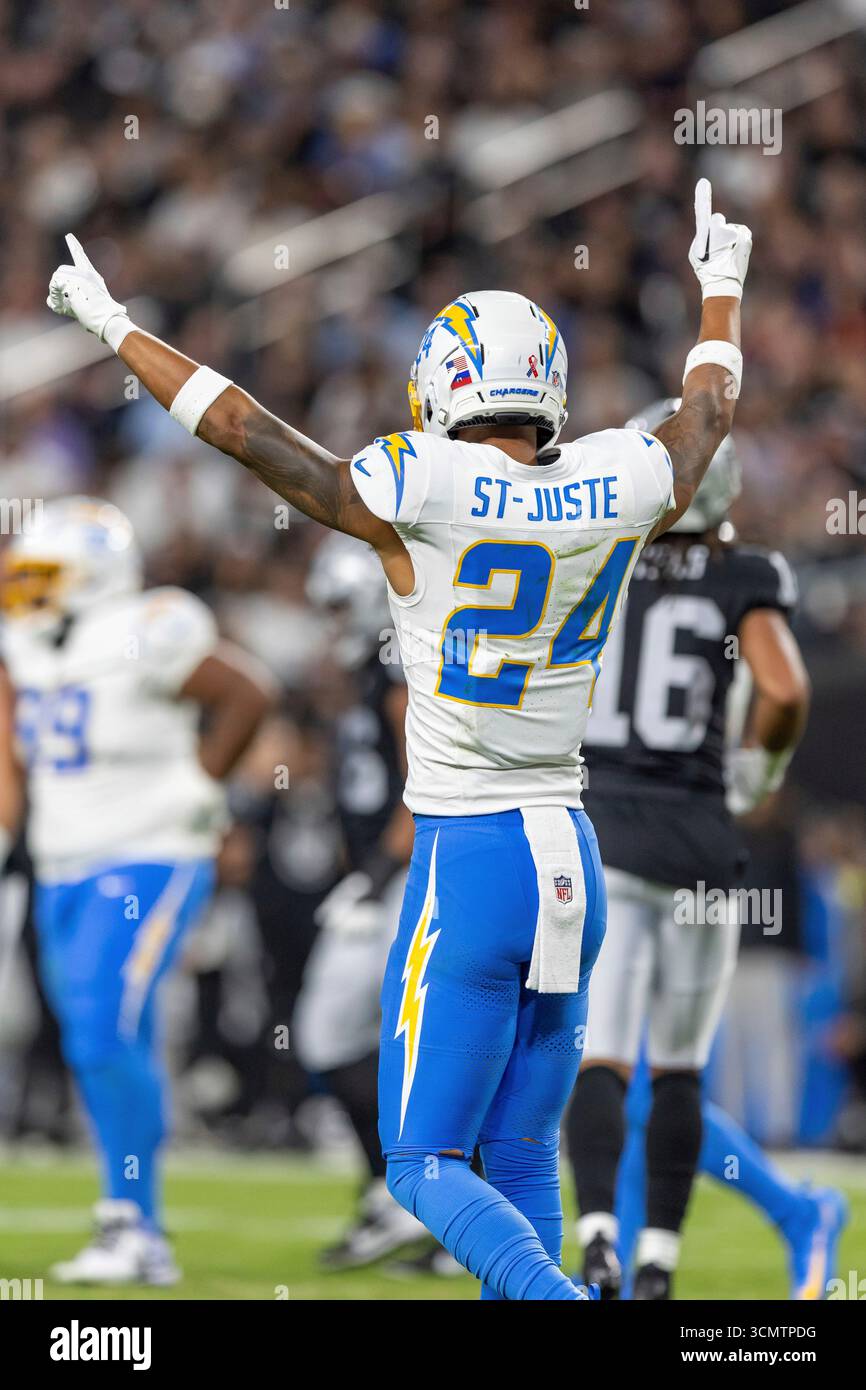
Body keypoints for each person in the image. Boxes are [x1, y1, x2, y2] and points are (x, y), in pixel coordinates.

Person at [46, 178, 751, 1300]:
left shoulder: (417, 480)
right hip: (572, 845)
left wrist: (118, 328)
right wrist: (720, 295)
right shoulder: (620, 475)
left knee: (424, 1162)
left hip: (469, 854)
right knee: (519, 1151)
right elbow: (704, 416)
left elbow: (249, 433)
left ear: (446, 386)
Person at [568, 402, 843, 1300]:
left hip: (600, 830)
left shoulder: (596, 562)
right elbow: (785, 688)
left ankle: (597, 1237)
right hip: (695, 836)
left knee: (599, 1059)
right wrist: (756, 775)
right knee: (677, 1065)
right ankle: (659, 1264)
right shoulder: (742, 573)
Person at [0, 498, 272, 1285]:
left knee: (98, 1029)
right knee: (112, 1037)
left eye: (45, 576)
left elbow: (247, 692)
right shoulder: (30, 640)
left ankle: (131, 1222)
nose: (27, 590)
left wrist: (199, 787)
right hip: (60, 862)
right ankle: (137, 1224)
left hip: (149, 852)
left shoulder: (146, 625)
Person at [293, 532, 424, 1267]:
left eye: (342, 605)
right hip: (379, 875)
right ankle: (399, 1194)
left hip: (404, 877)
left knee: (352, 1033)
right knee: (341, 1036)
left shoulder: (396, 663)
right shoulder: (359, 672)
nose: (333, 620)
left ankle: (411, 1197)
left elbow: (419, 777)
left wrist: (376, 870)